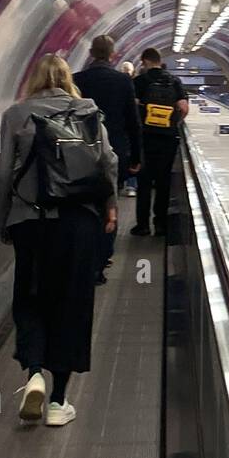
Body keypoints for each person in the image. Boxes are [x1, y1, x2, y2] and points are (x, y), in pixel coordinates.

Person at [0, 54, 118, 426]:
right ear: (68, 79)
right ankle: (59, 402)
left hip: (30, 222)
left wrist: (3, 221)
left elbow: (2, 175)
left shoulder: (16, 116)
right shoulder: (88, 112)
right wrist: (110, 207)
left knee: (31, 296)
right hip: (79, 223)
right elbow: (107, 162)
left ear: (33, 80)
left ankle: (33, 372)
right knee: (72, 303)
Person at [73, 35, 142, 281]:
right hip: (114, 152)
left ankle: (84, 256)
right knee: (109, 204)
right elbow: (133, 122)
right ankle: (101, 261)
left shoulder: (76, 80)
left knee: (84, 205)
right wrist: (136, 155)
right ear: (112, 55)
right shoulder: (123, 81)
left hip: (81, 153)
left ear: (91, 52)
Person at [131, 47, 188, 236]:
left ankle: (142, 225)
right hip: (168, 139)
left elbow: (132, 108)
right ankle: (161, 224)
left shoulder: (140, 81)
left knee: (144, 182)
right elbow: (184, 108)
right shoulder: (175, 81)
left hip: (145, 139)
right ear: (159, 60)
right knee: (163, 182)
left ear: (145, 61)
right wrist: (173, 123)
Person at [117, 62, 139, 197]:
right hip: (126, 124)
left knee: (127, 154)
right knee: (129, 154)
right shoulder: (130, 84)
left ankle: (129, 184)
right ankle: (129, 184)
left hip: (123, 125)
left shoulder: (117, 83)